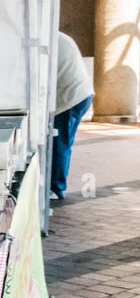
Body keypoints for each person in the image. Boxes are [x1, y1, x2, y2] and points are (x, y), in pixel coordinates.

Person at [51, 31, 93, 201]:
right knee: (61, 142)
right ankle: (56, 184)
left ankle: (57, 187)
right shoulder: (60, 37)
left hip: (71, 98)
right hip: (79, 94)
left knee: (60, 143)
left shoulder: (48, 40)